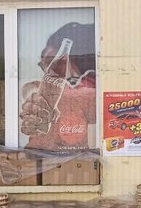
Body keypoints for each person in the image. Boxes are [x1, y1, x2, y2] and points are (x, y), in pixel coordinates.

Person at [19, 22, 97, 150]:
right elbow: (29, 88)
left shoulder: (90, 87)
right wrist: (34, 98)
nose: (47, 69)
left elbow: (91, 102)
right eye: (43, 64)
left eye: (50, 61)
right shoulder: (46, 86)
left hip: (72, 158)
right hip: (35, 157)